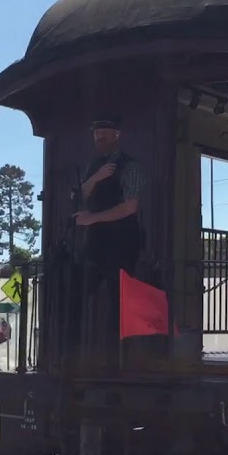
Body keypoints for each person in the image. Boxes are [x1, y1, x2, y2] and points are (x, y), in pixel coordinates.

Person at [71, 116, 147, 365]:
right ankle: (74, 355)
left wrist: (92, 219)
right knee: (77, 289)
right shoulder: (95, 165)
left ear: (117, 134)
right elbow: (80, 193)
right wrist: (97, 177)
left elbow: (130, 207)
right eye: (96, 133)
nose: (99, 136)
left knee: (119, 298)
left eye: (104, 132)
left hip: (122, 240)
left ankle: (117, 360)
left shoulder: (130, 166)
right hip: (95, 242)